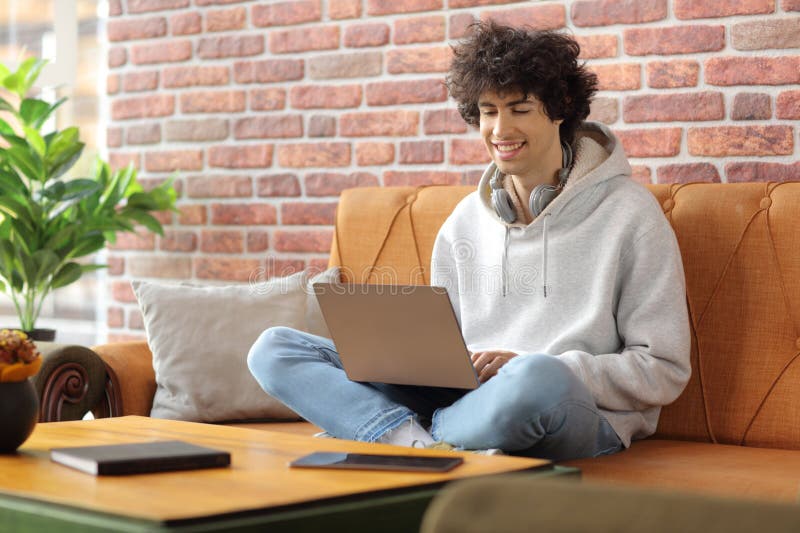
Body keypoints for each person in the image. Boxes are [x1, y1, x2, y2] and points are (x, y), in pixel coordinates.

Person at [247, 21, 691, 461]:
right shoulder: (464, 221)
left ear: (561, 107)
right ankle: (413, 441)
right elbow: (447, 352)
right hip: (464, 399)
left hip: (570, 406)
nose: (500, 130)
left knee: (537, 376)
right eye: (488, 111)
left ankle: (393, 433)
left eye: (519, 109)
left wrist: (537, 364)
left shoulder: (630, 214)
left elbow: (662, 370)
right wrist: (413, 359)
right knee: (275, 347)